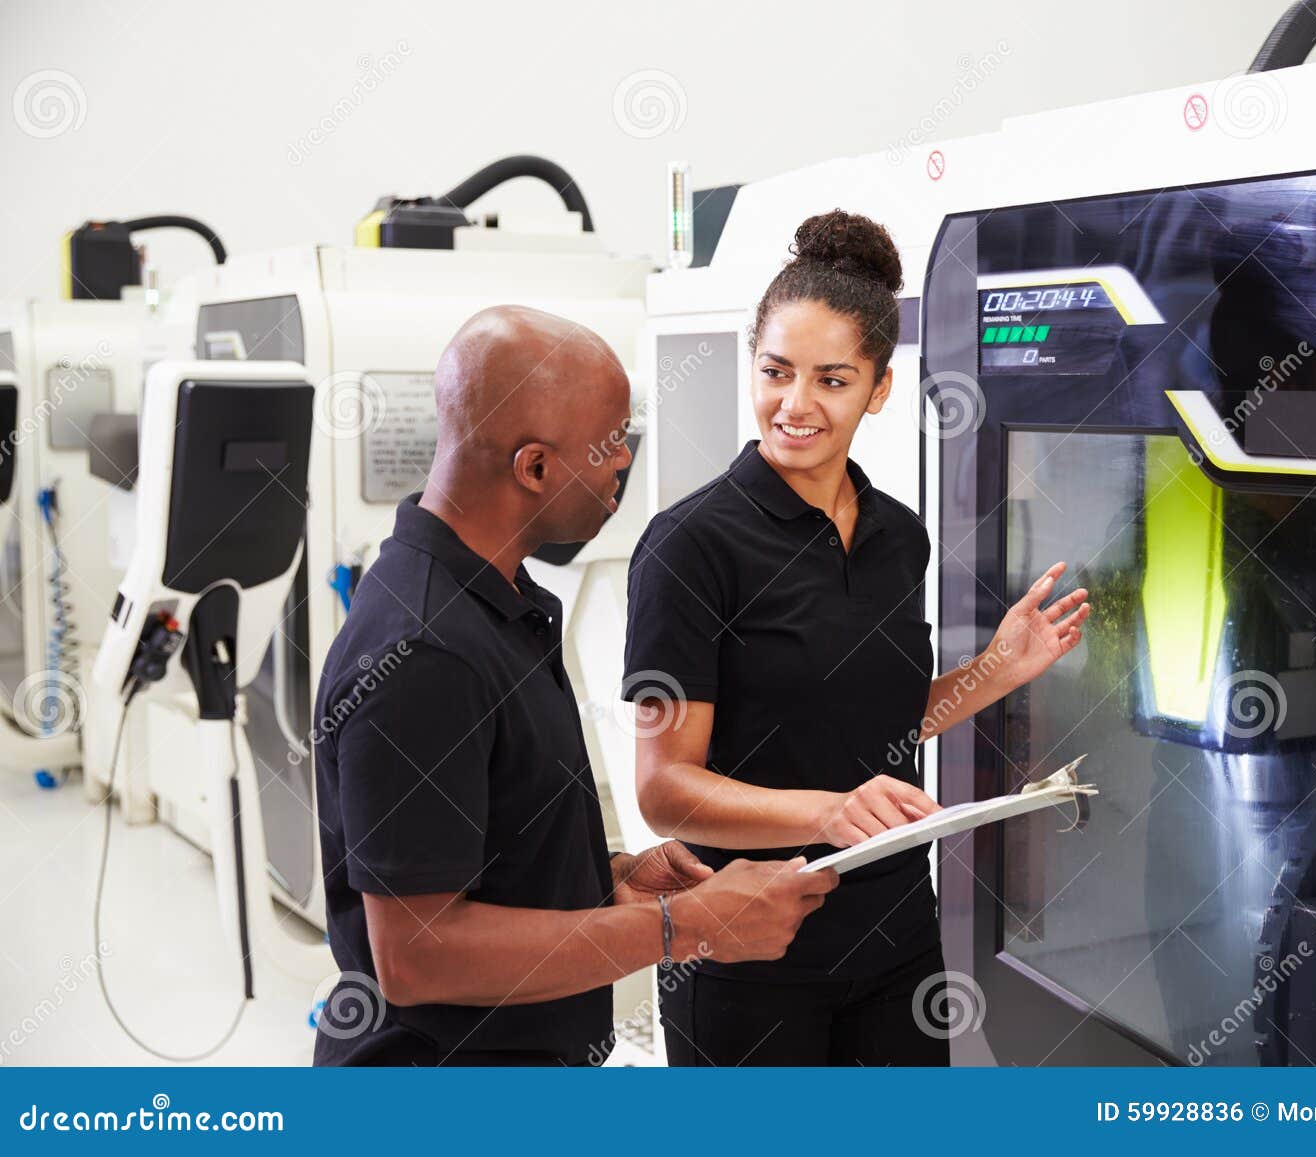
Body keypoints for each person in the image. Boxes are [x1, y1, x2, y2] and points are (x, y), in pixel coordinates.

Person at [623, 211, 1091, 1066]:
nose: (794, 405)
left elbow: (873, 722)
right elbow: (665, 790)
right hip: (747, 944)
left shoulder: (896, 535)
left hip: (895, 938)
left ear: (878, 388)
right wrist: (826, 813)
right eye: (775, 372)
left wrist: (997, 668)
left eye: (831, 380)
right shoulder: (689, 546)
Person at [313, 305, 837, 1066]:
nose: (625, 460)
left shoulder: (497, 604)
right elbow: (417, 956)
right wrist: (685, 928)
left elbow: (483, 858)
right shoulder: (427, 652)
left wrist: (607, 880)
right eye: (611, 442)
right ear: (534, 467)